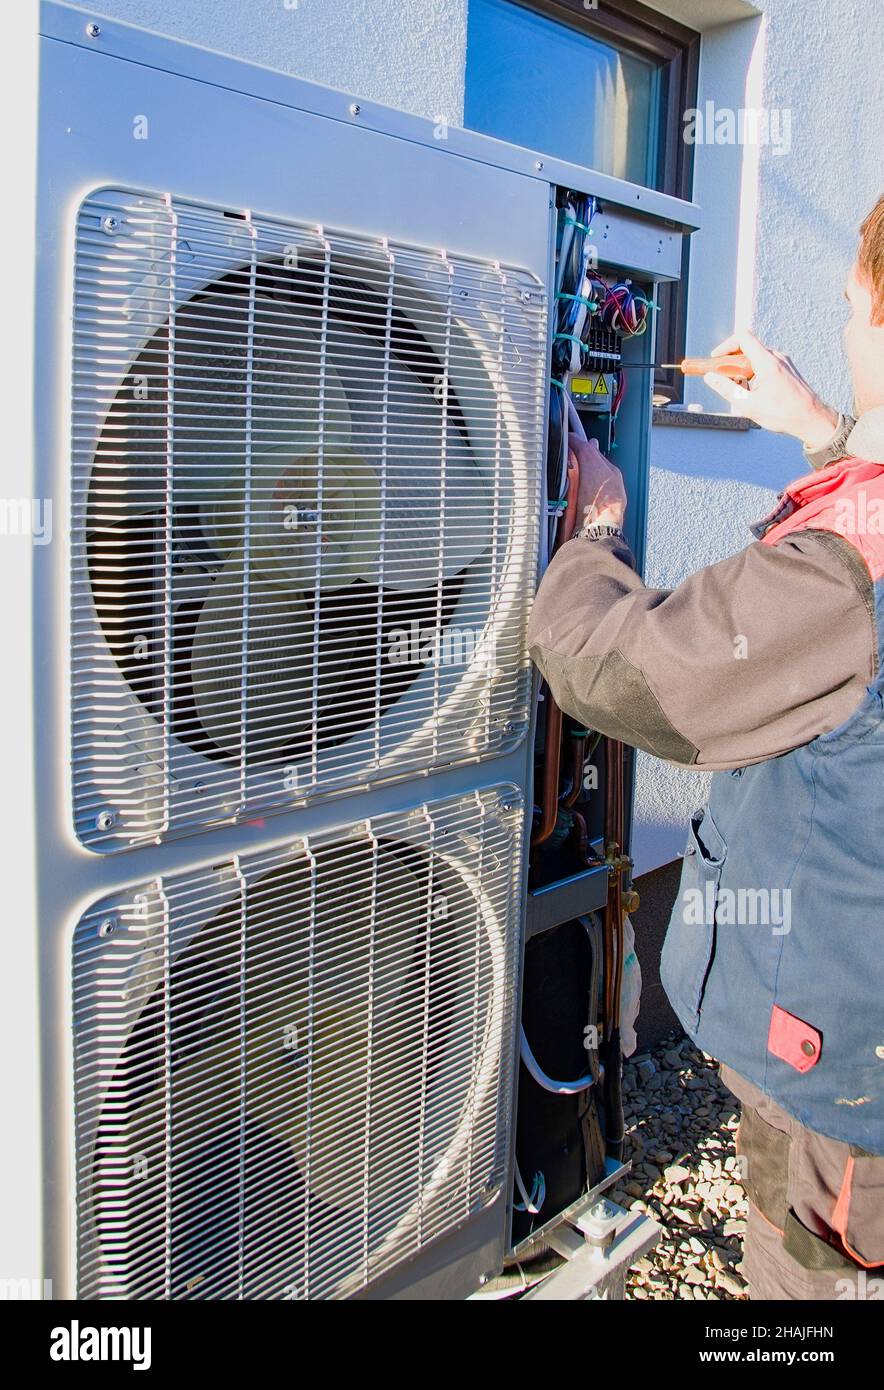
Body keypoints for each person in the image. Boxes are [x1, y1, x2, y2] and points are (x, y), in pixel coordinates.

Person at [527, 195, 884, 1300]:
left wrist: (592, 529)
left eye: (847, 306)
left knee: (805, 1267)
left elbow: (618, 669)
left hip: (845, 1082)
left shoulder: (843, 574)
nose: (842, 327)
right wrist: (819, 429)